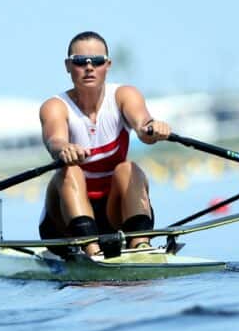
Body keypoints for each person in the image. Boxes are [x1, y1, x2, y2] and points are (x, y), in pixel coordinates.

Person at [38, 31, 172, 257]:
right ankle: (92, 251)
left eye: (97, 61)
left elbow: (142, 125)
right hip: (63, 221)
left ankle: (140, 245)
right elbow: (55, 140)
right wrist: (63, 149)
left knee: (129, 169)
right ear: (68, 66)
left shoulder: (124, 95)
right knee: (69, 170)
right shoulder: (55, 106)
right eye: (80, 61)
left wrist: (151, 128)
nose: (89, 67)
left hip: (115, 213)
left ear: (107, 64)